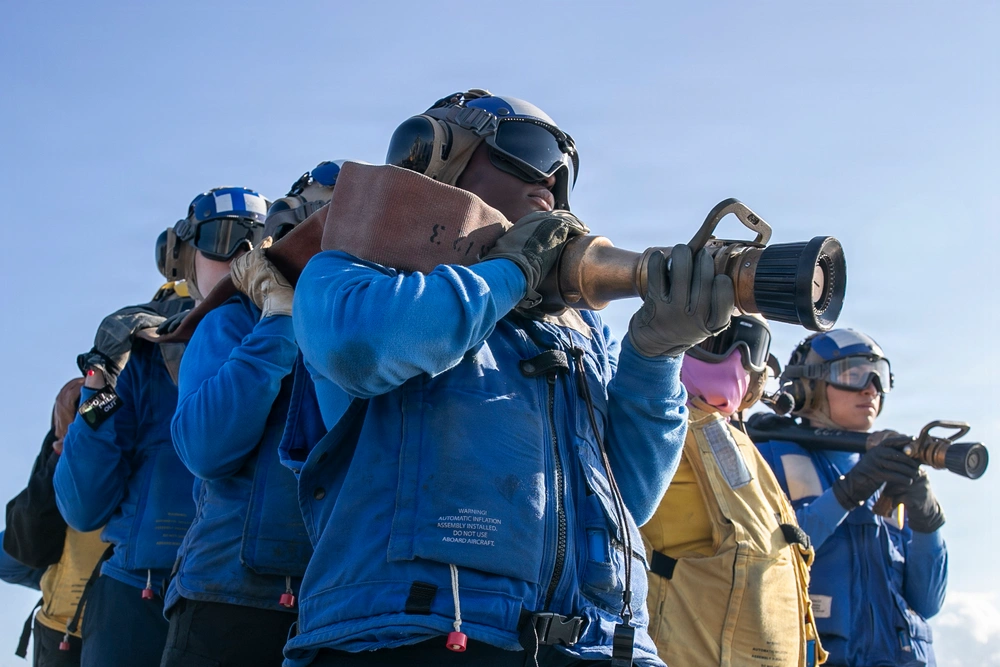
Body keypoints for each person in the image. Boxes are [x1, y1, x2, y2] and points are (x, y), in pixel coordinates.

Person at [281, 89, 734, 666]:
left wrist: (654, 354)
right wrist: (510, 273)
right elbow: (362, 349)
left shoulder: (580, 329)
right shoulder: (348, 271)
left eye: (568, 171)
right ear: (433, 153)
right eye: (528, 149)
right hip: (417, 635)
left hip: (601, 645)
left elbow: (633, 498)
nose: (553, 181)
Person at [52, 189, 264, 667]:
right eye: (223, 238)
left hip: (240, 599)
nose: (242, 255)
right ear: (184, 254)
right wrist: (100, 381)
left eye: (259, 240)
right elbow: (83, 504)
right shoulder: (139, 357)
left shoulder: (292, 336)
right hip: (143, 599)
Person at [162, 173, 336, 666]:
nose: (239, 251)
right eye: (221, 239)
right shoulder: (228, 319)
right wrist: (278, 322)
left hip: (338, 604)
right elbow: (204, 448)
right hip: (232, 598)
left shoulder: (366, 325)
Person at [641, 314, 825, 667]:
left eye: (751, 348)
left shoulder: (740, 443)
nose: (737, 359)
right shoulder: (649, 421)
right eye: (718, 339)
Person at [755, 330, 948, 667]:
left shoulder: (889, 470)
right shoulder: (765, 457)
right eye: (853, 374)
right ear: (809, 387)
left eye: (879, 376)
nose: (870, 388)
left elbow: (927, 602)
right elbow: (765, 561)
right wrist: (847, 494)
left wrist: (928, 521)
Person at [4, 377, 106, 666]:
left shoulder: (97, 397)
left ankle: (61, 579)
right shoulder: (103, 399)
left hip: (70, 622)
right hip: (70, 625)